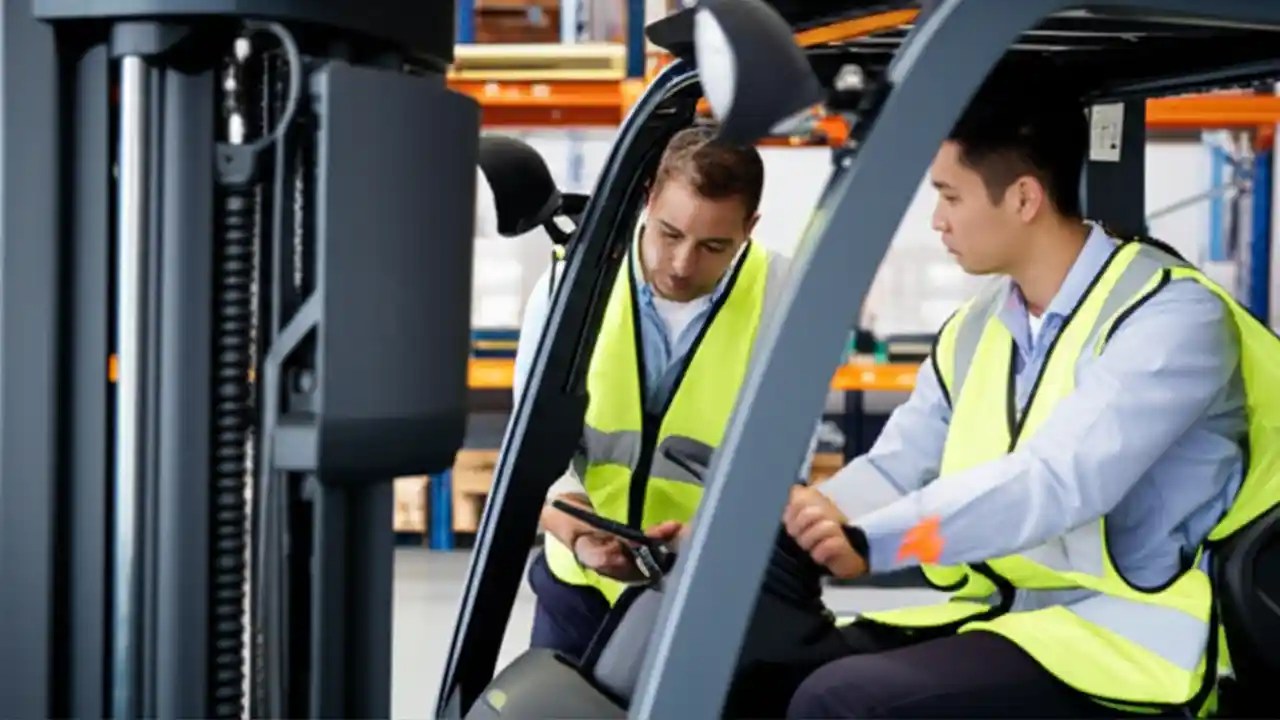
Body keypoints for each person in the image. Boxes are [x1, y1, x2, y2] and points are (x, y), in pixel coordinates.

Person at [781, 69, 1280, 718]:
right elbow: (901, 464)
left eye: (950, 197)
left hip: (1122, 638)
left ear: (1022, 198)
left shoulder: (1170, 319)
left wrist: (878, 542)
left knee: (839, 701)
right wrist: (800, 517)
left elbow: (1060, 481)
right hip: (1009, 615)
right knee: (769, 655)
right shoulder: (979, 325)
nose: (936, 221)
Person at [511, 122, 797, 661]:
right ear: (648, 199)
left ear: (750, 227)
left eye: (714, 245)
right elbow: (528, 462)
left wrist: (717, 535)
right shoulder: (570, 285)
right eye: (669, 233)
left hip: (706, 593)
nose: (683, 264)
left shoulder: (787, 299)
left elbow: (786, 469)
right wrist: (573, 528)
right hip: (580, 587)